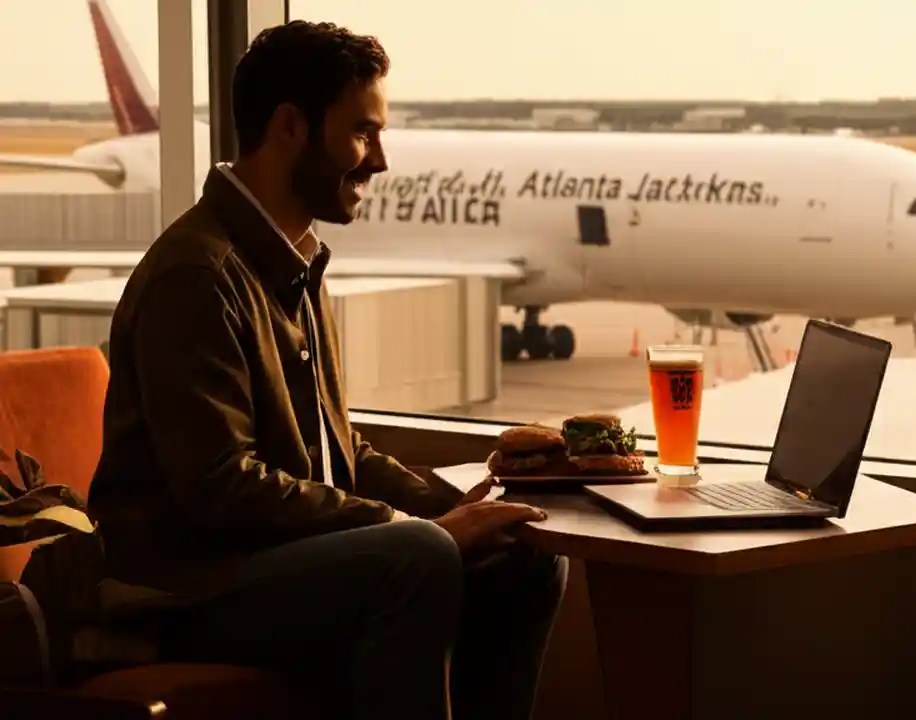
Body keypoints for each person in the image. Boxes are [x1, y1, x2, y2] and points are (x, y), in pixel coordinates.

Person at [87, 19, 566, 720]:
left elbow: (337, 456)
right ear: (289, 127)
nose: (380, 160)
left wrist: (455, 502)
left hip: (268, 562)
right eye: (363, 133)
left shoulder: (293, 259)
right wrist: (418, 527)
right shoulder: (196, 275)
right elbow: (221, 489)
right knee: (418, 560)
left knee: (523, 558)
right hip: (184, 589)